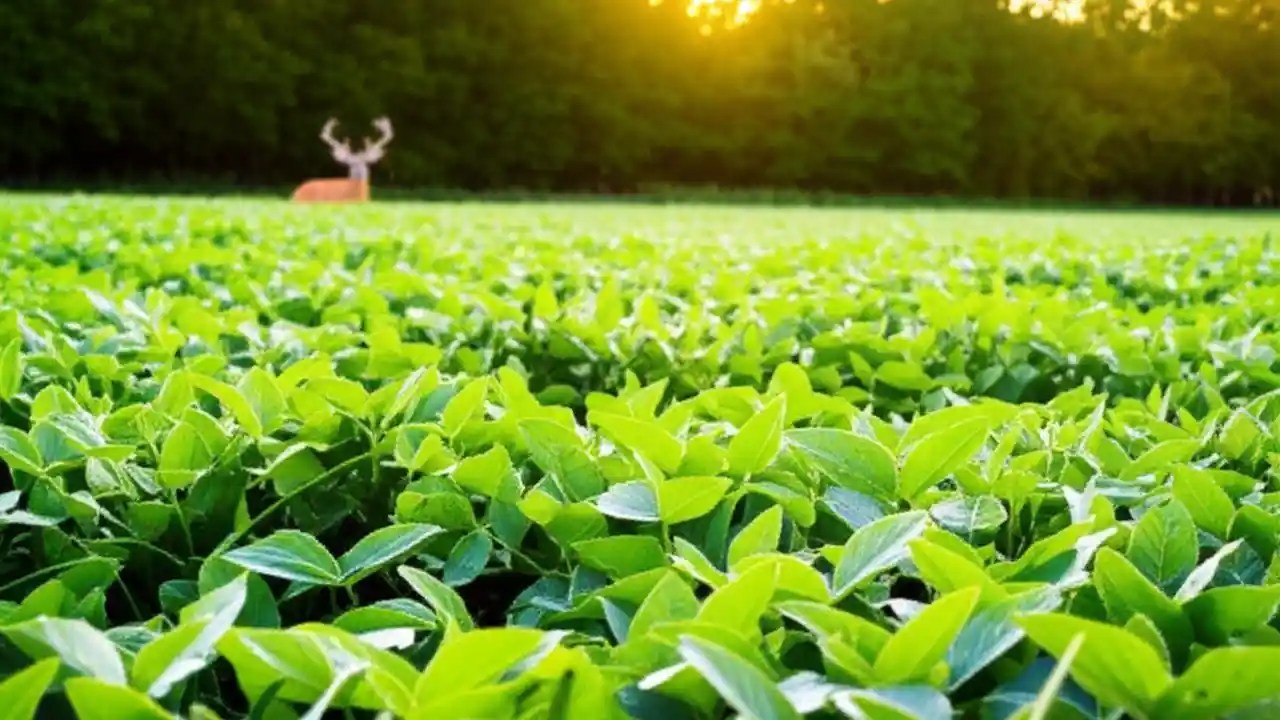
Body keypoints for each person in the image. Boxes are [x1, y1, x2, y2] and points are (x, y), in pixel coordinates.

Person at [319, 117, 394, 182]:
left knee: (361, 185)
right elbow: (325, 137)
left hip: (361, 166)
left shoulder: (369, 152)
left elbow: (388, 136)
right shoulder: (346, 154)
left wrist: (382, 125)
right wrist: (330, 124)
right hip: (355, 166)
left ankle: (359, 194)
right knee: (354, 184)